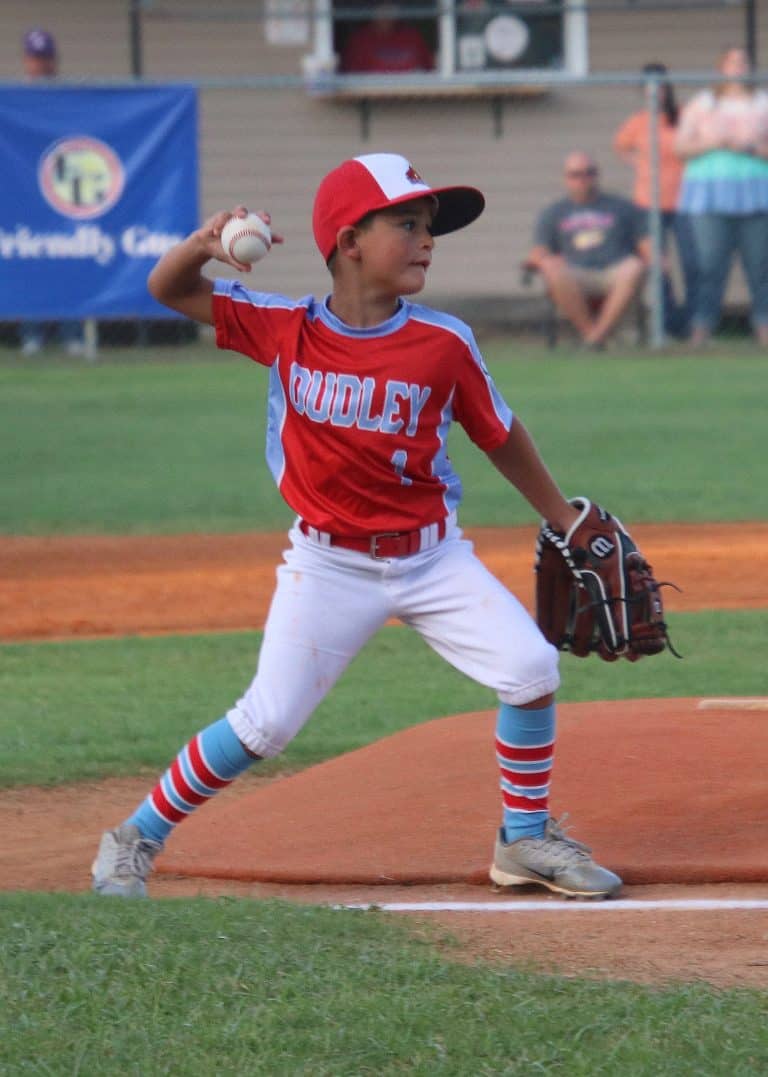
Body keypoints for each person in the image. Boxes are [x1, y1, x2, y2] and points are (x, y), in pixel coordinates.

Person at [90, 152, 622, 902]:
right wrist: (201, 246)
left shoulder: (445, 342)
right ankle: (135, 836)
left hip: (433, 558)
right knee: (264, 725)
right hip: (328, 564)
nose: (426, 239)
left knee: (531, 671)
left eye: (429, 226)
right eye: (406, 223)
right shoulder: (282, 326)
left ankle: (524, 839)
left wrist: (564, 518)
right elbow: (168, 289)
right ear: (348, 242)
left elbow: (499, 433)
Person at [675, 45, 768, 348]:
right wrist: (713, 143)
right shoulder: (703, 103)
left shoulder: (763, 102)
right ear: (721, 68)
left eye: (745, 61)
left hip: (755, 193)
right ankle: (702, 327)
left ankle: (764, 326)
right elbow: (680, 149)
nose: (740, 67)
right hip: (709, 194)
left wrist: (750, 148)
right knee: (710, 263)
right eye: (733, 61)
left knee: (761, 264)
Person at [525, 151, 650, 349]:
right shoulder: (553, 213)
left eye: (589, 173)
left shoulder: (622, 207)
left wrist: (656, 259)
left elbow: (646, 245)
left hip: (615, 270)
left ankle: (594, 339)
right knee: (551, 267)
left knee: (634, 266)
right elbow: (540, 252)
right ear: (566, 178)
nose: (583, 179)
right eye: (576, 174)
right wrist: (540, 261)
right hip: (575, 273)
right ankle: (593, 336)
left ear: (596, 175)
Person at [613, 62, 698, 339]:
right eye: (650, 85)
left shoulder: (683, 116)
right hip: (649, 204)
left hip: (685, 202)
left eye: (660, 85)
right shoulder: (638, 122)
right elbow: (622, 147)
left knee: (693, 262)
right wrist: (640, 165)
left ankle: (694, 323)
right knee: (658, 266)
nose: (657, 91)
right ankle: (667, 324)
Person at [19, 28, 86, 357]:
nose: (40, 65)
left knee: (69, 259)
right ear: (26, 61)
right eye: (35, 58)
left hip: (64, 193)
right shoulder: (14, 102)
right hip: (25, 195)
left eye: (45, 59)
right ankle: (32, 333)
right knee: (30, 259)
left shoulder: (66, 101)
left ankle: (72, 333)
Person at [339, 4, 434, 74]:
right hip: (370, 95)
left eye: (390, 8)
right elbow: (351, 77)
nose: (385, 13)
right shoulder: (359, 40)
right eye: (381, 8)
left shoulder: (412, 36)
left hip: (410, 94)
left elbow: (428, 70)